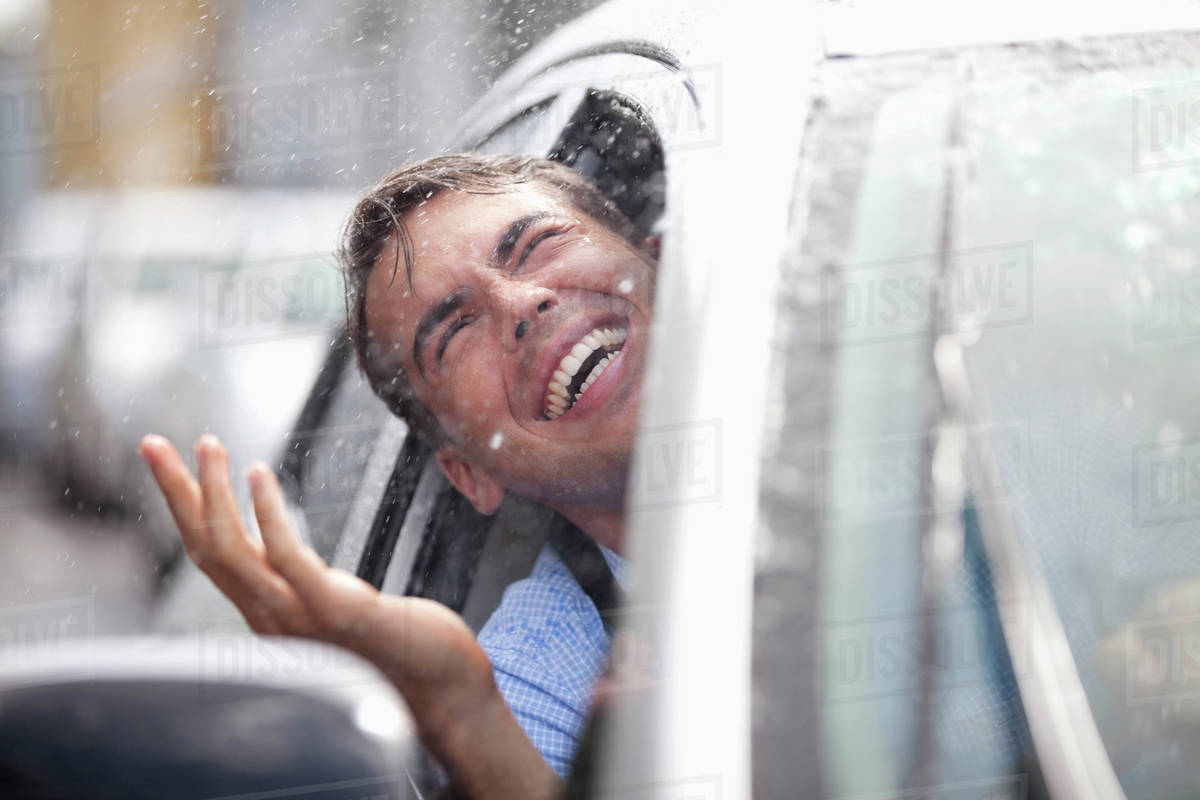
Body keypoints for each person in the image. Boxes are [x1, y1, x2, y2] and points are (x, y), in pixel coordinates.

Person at [139, 154, 658, 800]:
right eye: (455, 330)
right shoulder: (537, 675)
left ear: (659, 260)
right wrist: (464, 713)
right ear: (468, 473)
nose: (522, 303)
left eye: (538, 245)